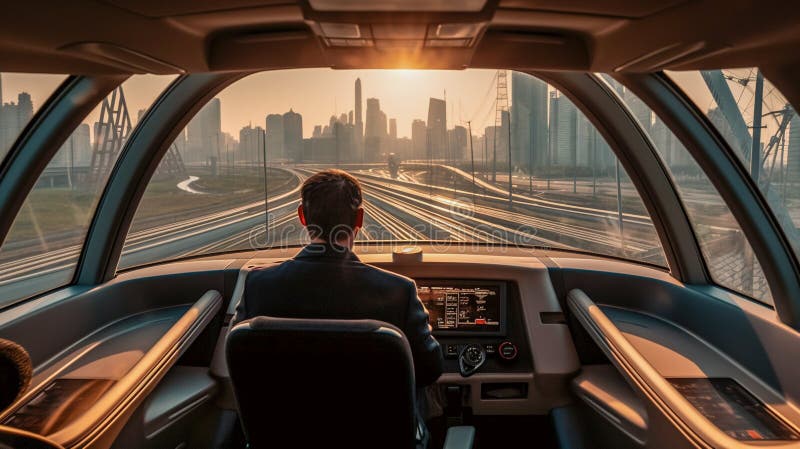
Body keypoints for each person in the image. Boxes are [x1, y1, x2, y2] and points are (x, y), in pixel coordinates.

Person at [233, 169, 443, 387]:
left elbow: (236, 360)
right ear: (359, 218)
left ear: (302, 216)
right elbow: (430, 370)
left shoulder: (257, 285)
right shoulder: (400, 292)